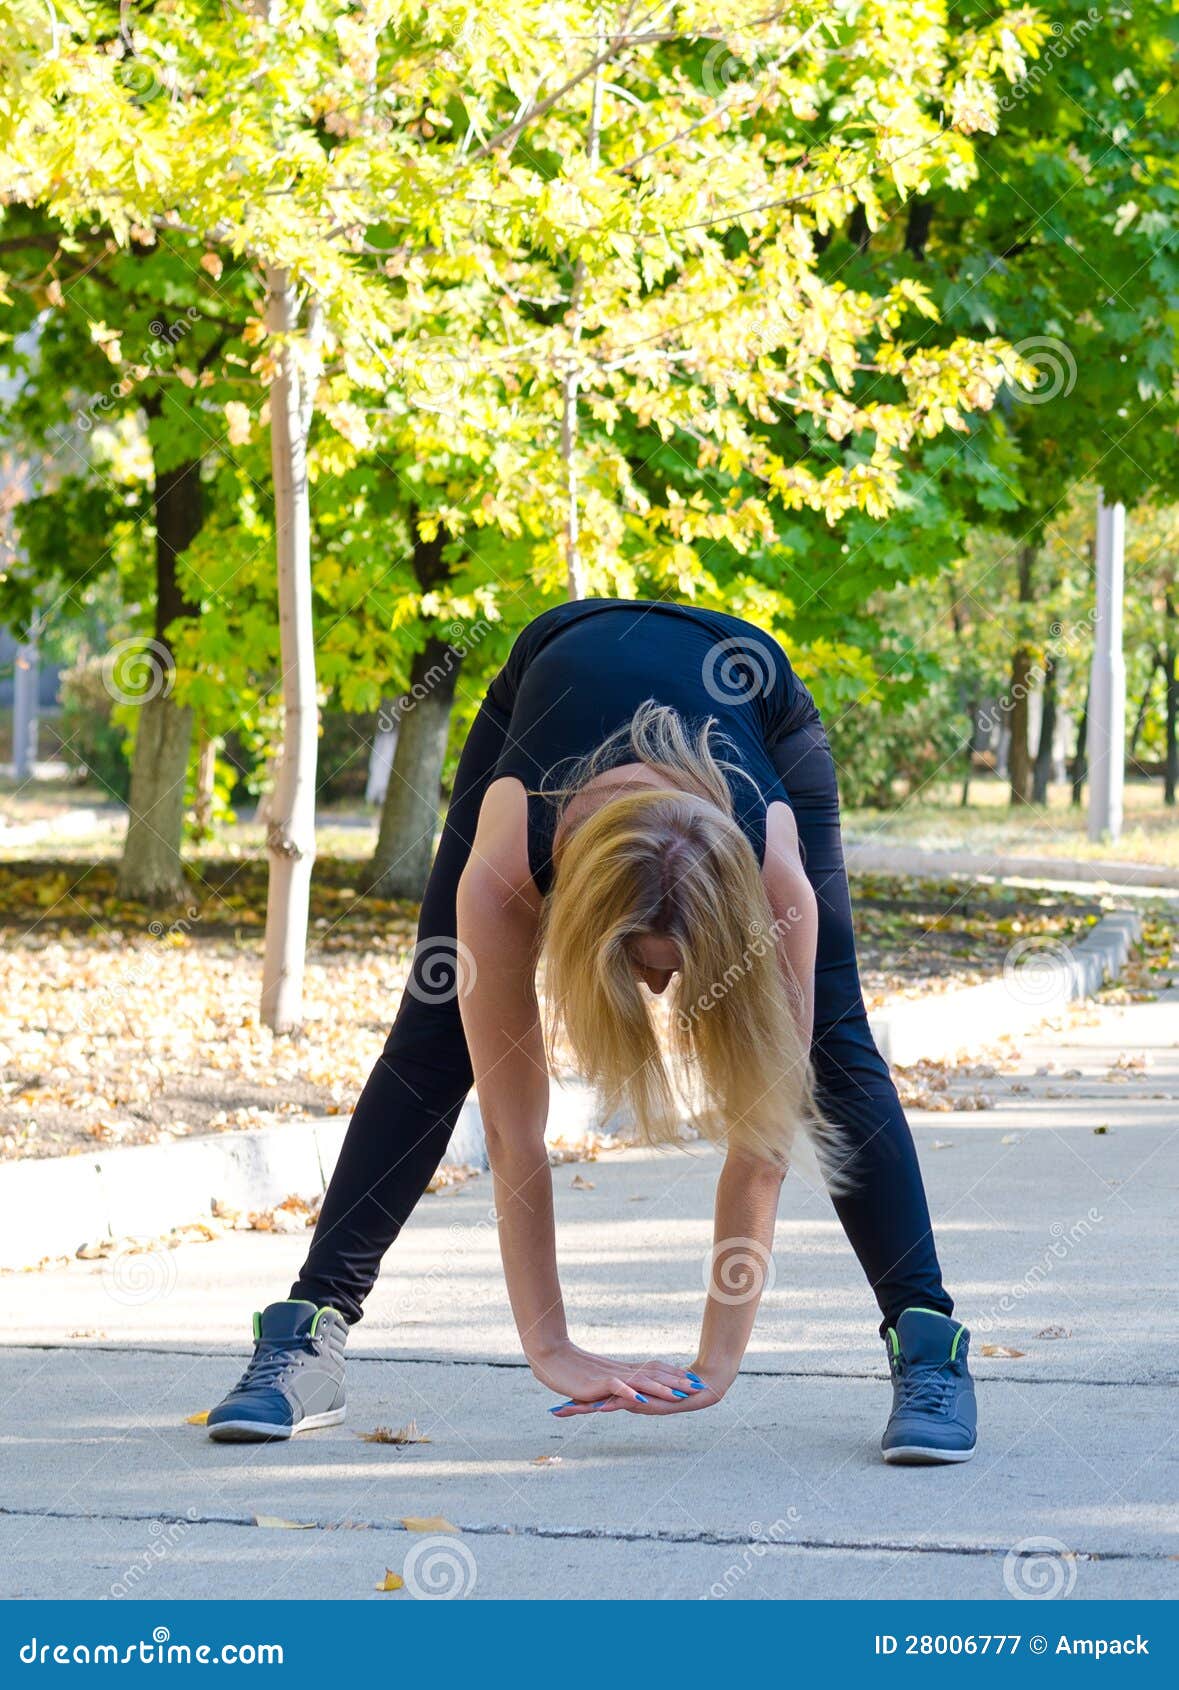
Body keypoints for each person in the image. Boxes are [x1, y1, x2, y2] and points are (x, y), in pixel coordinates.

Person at [208, 599, 976, 1464]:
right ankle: (306, 1335)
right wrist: (551, 1348)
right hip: (549, 669)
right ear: (577, 923)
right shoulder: (504, 869)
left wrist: (716, 1361)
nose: (655, 987)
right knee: (433, 1040)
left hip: (753, 687)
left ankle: (926, 1342)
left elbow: (762, 1141)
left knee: (831, 1046)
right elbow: (511, 1130)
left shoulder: (774, 884)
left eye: (677, 967)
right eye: (638, 964)